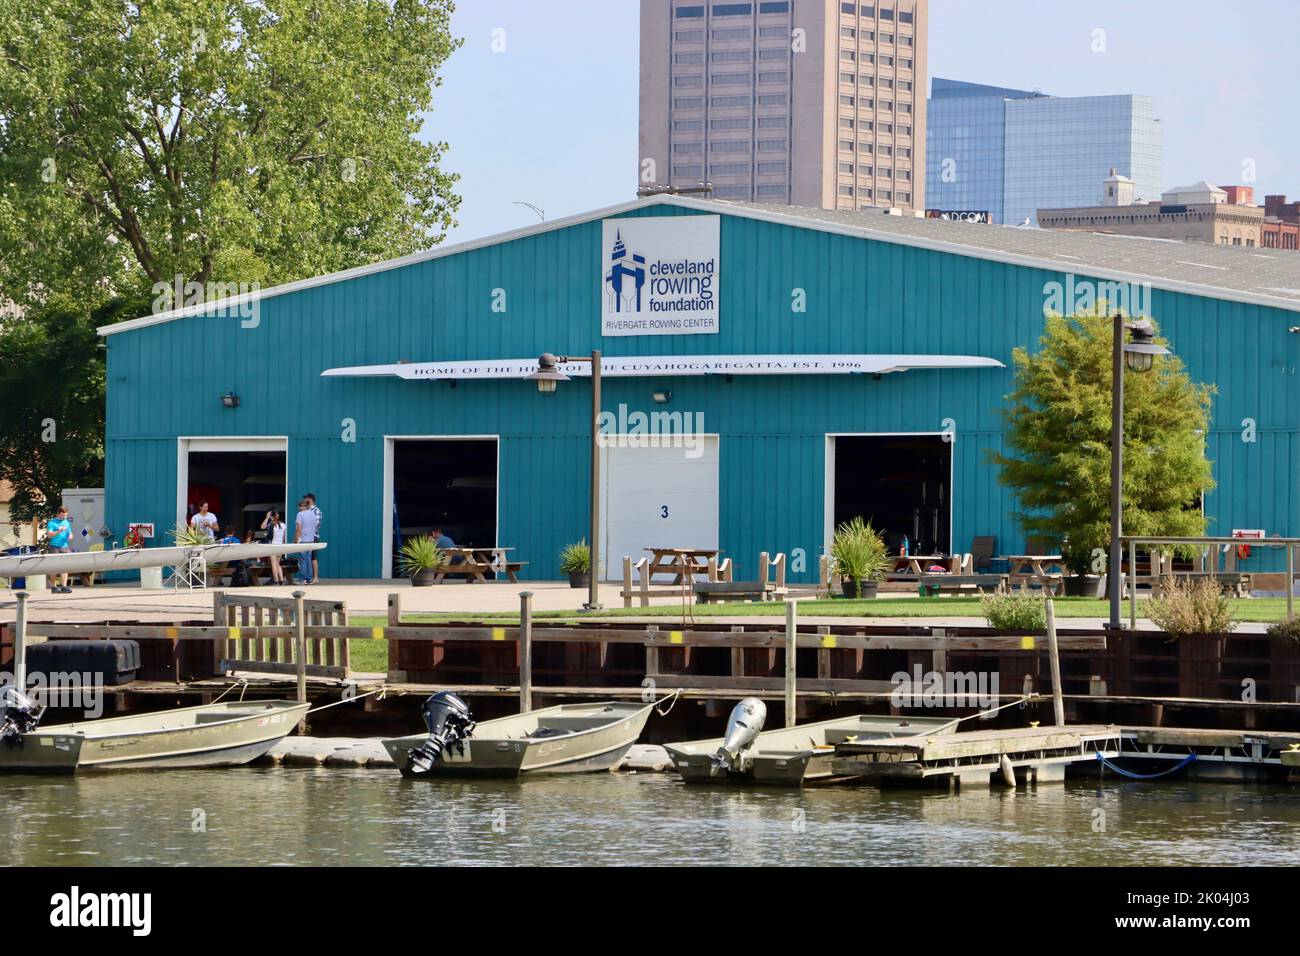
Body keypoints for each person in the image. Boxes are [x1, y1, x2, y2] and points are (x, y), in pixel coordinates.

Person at [45, 506, 74, 594]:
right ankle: (54, 587)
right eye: (62, 515)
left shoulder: (66, 522)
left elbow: (71, 533)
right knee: (54, 568)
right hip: (54, 547)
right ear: (58, 514)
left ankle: (64, 586)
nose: (64, 517)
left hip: (65, 547)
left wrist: (70, 536)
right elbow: (49, 535)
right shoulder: (52, 523)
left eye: (65, 515)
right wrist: (58, 531)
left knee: (65, 567)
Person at [294, 498, 320, 584]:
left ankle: (302, 579)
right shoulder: (312, 514)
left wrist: (297, 540)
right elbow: (315, 526)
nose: (298, 508)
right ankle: (309, 579)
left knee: (302, 560)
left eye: (299, 507)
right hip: (311, 540)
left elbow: (298, 528)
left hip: (303, 540)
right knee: (308, 559)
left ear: (302, 507)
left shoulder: (300, 514)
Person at [261, 510, 287, 585]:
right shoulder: (283, 525)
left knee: (273, 564)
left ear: (272, 516)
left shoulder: (271, 525)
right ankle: (281, 579)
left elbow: (262, 527)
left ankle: (276, 580)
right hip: (280, 545)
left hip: (273, 545)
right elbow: (284, 537)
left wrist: (267, 517)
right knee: (278, 564)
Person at [304, 493, 323, 583]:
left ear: (310, 499)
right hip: (305, 537)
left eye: (306, 498)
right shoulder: (305, 511)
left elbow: (316, 524)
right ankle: (307, 577)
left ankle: (315, 578)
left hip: (313, 536)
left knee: (313, 558)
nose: (304, 500)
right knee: (305, 558)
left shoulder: (316, 511)